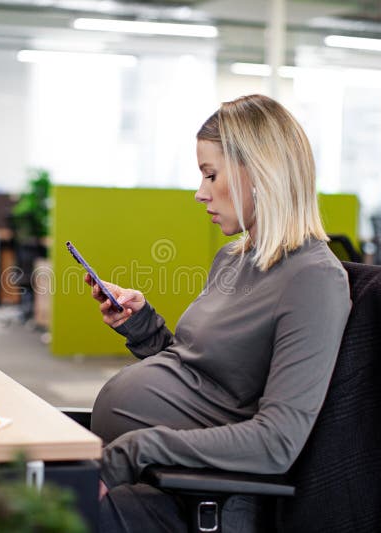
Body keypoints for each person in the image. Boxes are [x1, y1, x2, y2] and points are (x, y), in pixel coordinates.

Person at [84, 94, 352, 532]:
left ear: (261, 171)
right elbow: (199, 371)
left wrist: (135, 451)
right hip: (154, 475)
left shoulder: (314, 280)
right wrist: (143, 327)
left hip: (199, 496)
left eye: (211, 174)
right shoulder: (234, 257)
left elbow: (277, 441)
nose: (199, 192)